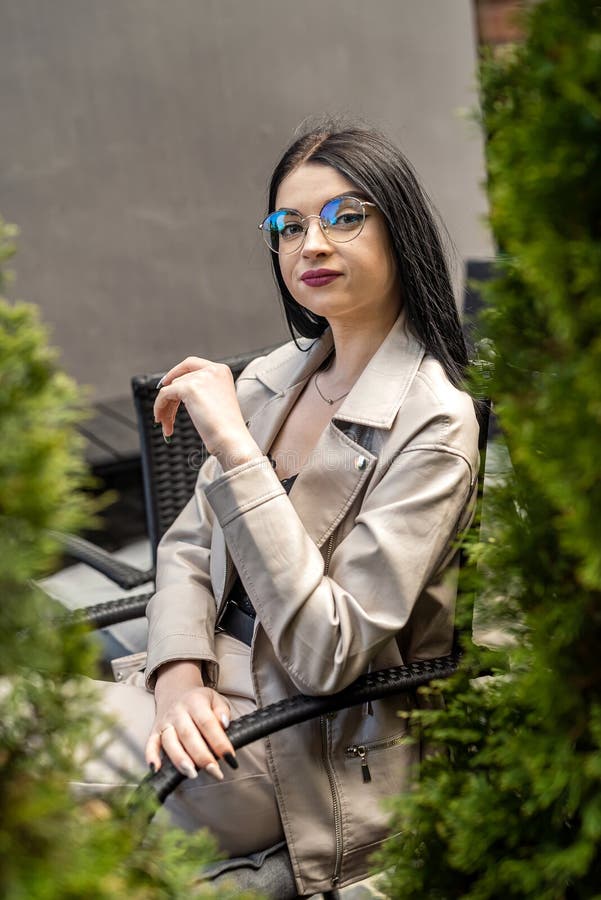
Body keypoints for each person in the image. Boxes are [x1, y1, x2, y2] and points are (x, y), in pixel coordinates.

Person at [81, 122, 480, 896]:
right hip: (188, 703)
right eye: (288, 225)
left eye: (344, 216)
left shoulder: (434, 423)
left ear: (399, 228)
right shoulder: (276, 375)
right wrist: (175, 677)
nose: (311, 244)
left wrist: (236, 451)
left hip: (296, 741)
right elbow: (188, 550)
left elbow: (329, 653)